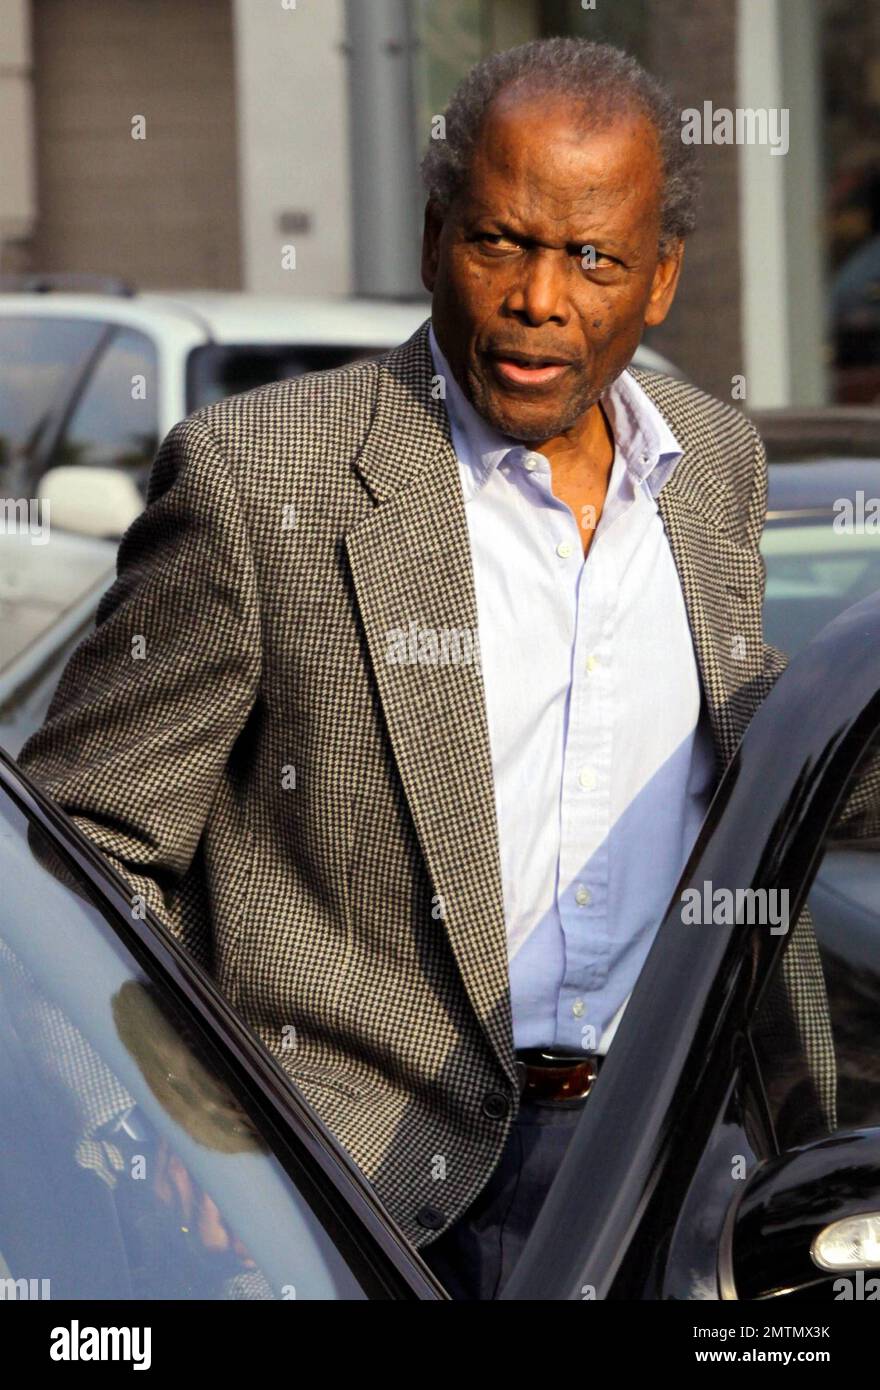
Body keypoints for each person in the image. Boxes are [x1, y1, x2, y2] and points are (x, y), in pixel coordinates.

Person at [16, 37, 861, 1299]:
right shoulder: (267, 480)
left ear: (661, 277)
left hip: (674, 1165)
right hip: (346, 1196)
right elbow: (68, 859)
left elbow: (767, 764)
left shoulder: (712, 465)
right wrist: (165, 1120)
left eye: (592, 257)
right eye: (499, 241)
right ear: (432, 240)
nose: (539, 297)